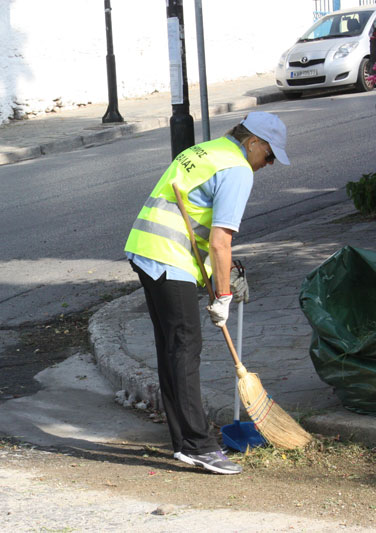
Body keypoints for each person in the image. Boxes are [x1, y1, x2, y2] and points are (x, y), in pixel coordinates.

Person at [124, 111, 290, 475]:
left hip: (146, 249)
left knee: (173, 347)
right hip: (169, 259)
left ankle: (184, 442)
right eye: (270, 154)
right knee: (185, 348)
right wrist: (223, 295)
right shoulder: (238, 169)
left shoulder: (208, 150)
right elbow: (220, 241)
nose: (270, 162)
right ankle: (199, 446)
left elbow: (203, 228)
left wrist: (225, 274)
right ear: (253, 143)